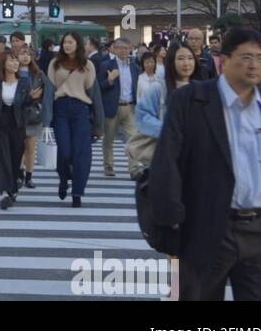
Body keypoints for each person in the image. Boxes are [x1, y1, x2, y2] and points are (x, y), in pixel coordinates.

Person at [150, 27, 261, 301]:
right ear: (224, 60)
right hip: (204, 227)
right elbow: (167, 161)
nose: (254, 65)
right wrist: (172, 221)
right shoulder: (191, 101)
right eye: (246, 57)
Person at [48, 31, 104, 208]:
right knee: (64, 151)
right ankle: (64, 179)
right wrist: (46, 121)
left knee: (82, 153)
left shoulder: (87, 65)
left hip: (81, 109)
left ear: (78, 44)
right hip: (61, 109)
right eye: (64, 42)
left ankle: (78, 192)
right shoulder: (54, 64)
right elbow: (50, 92)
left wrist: (98, 125)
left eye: (70, 42)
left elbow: (93, 94)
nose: (66, 45)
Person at [0, 51, 32, 209]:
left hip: (18, 124)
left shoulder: (24, 82)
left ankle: (13, 186)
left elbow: (28, 105)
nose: (15, 63)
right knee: (2, 157)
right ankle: (5, 193)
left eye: (16, 61)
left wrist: (31, 98)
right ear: (3, 63)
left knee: (15, 158)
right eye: (11, 60)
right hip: (0, 124)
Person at [136, 43, 199, 143]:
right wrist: (170, 130)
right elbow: (142, 116)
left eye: (190, 58)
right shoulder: (158, 87)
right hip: (167, 146)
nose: (186, 63)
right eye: (181, 58)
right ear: (171, 61)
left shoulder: (199, 88)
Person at [98, 37, 141, 178]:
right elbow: (98, 87)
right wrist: (110, 80)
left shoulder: (135, 67)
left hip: (129, 107)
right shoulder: (106, 65)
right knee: (109, 139)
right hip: (112, 106)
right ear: (114, 49)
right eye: (120, 47)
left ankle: (134, 169)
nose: (123, 50)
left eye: (126, 48)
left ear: (130, 49)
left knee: (133, 139)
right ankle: (108, 166)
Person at [18, 46, 53, 189]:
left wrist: (46, 118)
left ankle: (29, 177)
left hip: (34, 115)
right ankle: (19, 175)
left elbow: (48, 93)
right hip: (18, 114)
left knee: (31, 148)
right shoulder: (12, 72)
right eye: (22, 53)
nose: (25, 57)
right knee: (19, 147)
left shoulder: (39, 73)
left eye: (28, 54)